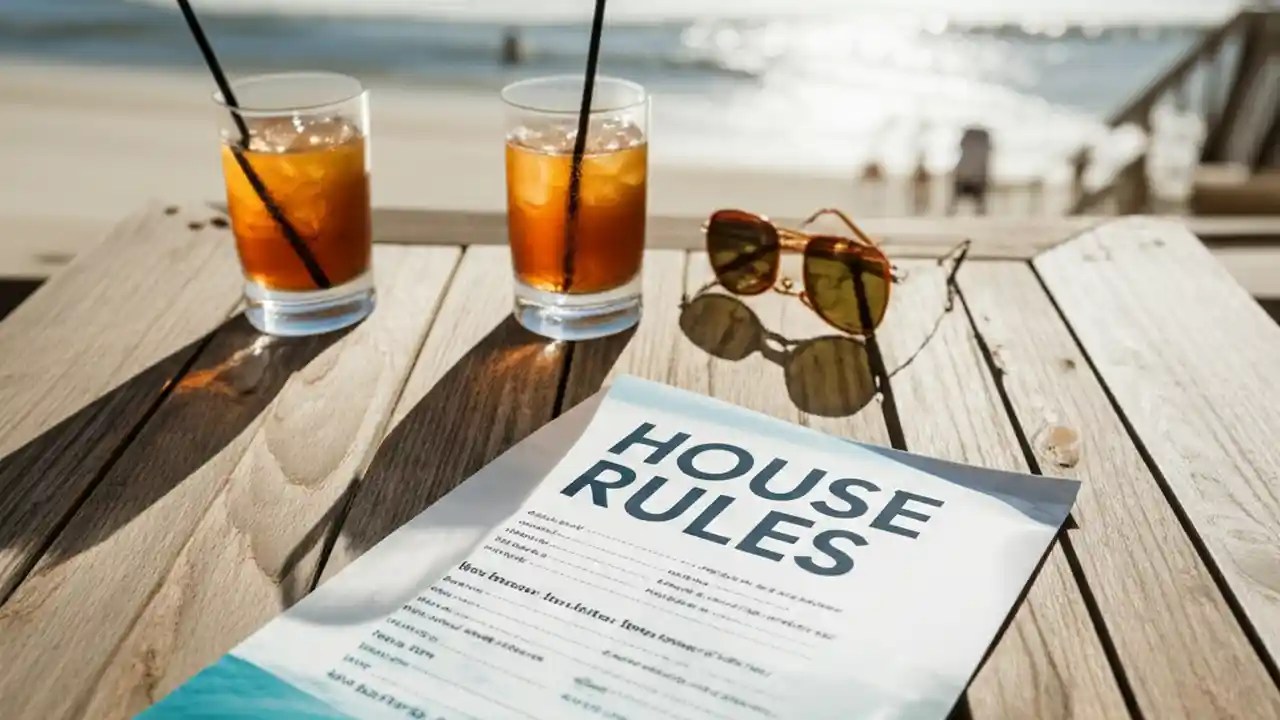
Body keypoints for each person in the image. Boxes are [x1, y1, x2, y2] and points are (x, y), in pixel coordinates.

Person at [949, 126, 992, 215]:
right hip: (975, 180)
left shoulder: (968, 147)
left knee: (957, 182)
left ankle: (953, 208)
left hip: (966, 180)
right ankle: (980, 209)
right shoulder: (983, 147)